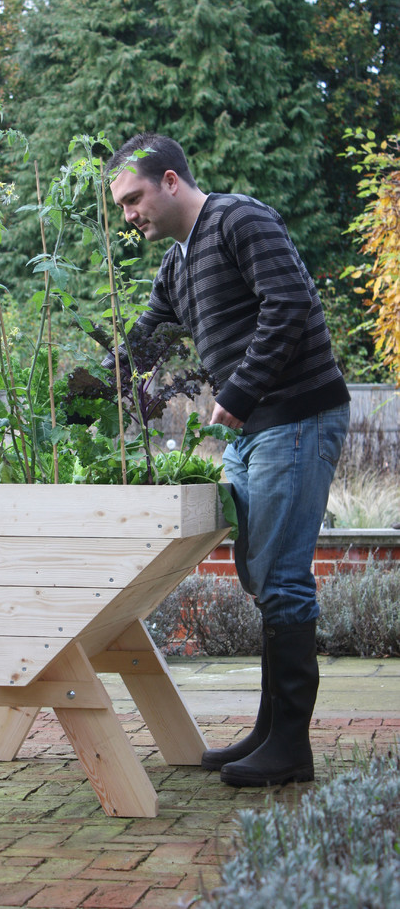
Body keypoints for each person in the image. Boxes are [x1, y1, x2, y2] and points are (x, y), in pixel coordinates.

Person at [107, 133, 350, 788]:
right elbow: (145, 342)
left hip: (297, 416)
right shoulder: (177, 265)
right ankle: (270, 733)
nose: (129, 215)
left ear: (171, 181)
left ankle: (290, 749)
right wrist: (91, 387)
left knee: (281, 577)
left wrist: (237, 396)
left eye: (134, 199)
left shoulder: (240, 219)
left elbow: (290, 305)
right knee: (258, 572)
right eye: (121, 205)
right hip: (256, 430)